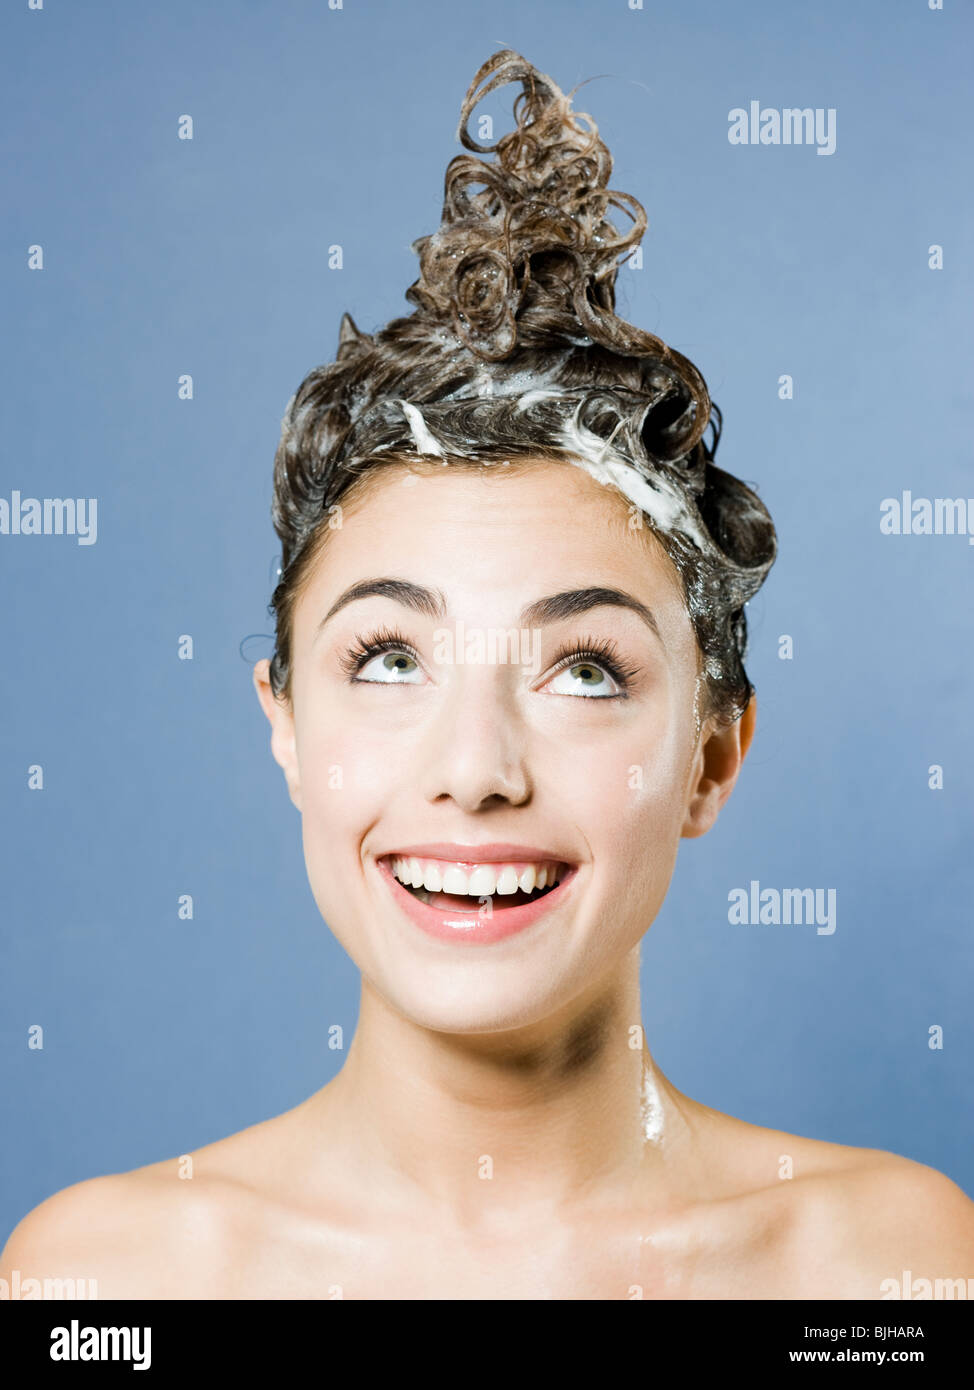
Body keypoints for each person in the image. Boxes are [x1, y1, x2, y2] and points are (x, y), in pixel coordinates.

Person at [4, 48, 972, 1300]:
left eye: (581, 669)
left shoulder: (889, 1274)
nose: (473, 772)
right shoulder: (102, 1286)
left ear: (711, 755)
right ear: (285, 724)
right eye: (390, 657)